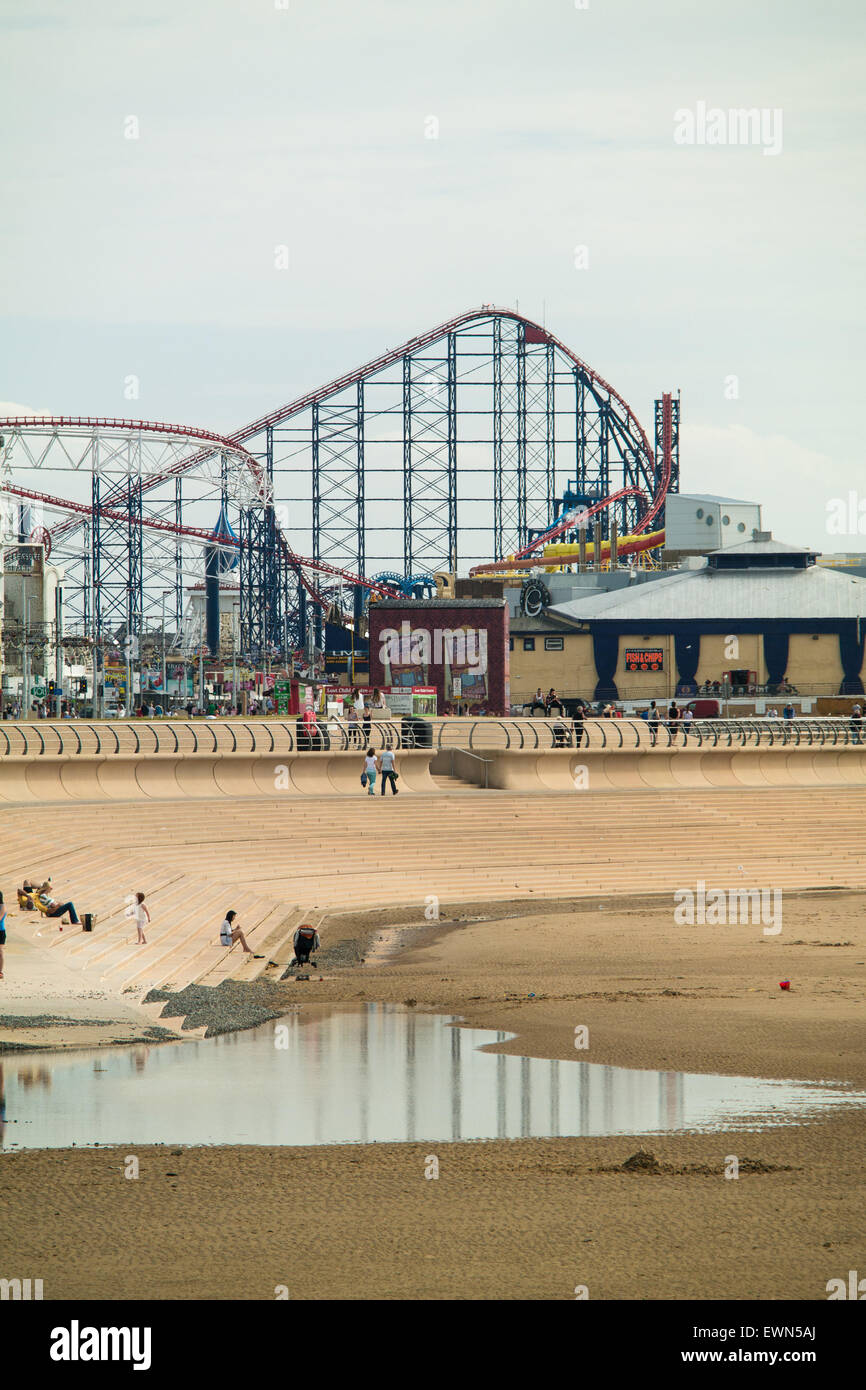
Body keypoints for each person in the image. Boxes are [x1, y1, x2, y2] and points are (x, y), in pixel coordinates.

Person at [0, 892, 6, 980]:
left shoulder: (2, 907)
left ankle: (0, 971)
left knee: (0, 951)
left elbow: (1, 916)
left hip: (0, 930)